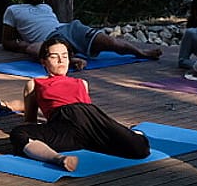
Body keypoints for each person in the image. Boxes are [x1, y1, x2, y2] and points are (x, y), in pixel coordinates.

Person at [10, 37, 151, 172]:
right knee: (18, 133)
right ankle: (59, 159)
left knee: (141, 149)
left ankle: (134, 132)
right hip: (63, 125)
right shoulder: (35, 83)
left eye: (65, 56)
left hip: (87, 115)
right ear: (43, 61)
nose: (61, 60)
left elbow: (91, 119)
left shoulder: (81, 83)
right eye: (54, 57)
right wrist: (44, 130)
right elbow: (30, 120)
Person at [1, 0, 162, 70]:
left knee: (110, 42)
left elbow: (53, 23)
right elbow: (6, 41)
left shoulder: (45, 6)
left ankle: (141, 53)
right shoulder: (13, 10)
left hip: (68, 28)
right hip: (48, 40)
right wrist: (22, 45)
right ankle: (71, 60)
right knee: (32, 48)